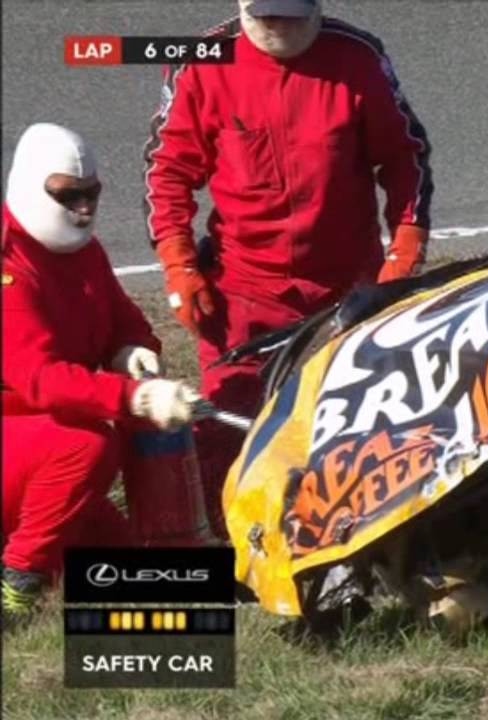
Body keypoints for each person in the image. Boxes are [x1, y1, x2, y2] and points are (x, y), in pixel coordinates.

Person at [142, 0, 434, 538]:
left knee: (348, 428)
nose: (277, 27)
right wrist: (180, 267)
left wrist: (404, 255)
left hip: (347, 287)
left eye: (291, 15)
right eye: (265, 15)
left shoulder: (359, 58)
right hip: (242, 289)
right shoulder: (201, 62)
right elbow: (167, 172)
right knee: (227, 433)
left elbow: (405, 159)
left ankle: (342, 543)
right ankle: (236, 554)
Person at [2, 123, 202, 620]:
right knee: (86, 444)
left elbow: (121, 316)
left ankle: (184, 560)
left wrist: (130, 349)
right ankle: (16, 583)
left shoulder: (85, 253)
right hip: (31, 435)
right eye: (69, 196)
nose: (85, 207)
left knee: (121, 568)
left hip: (34, 446)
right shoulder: (9, 267)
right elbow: (40, 380)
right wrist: (132, 397)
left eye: (92, 193)